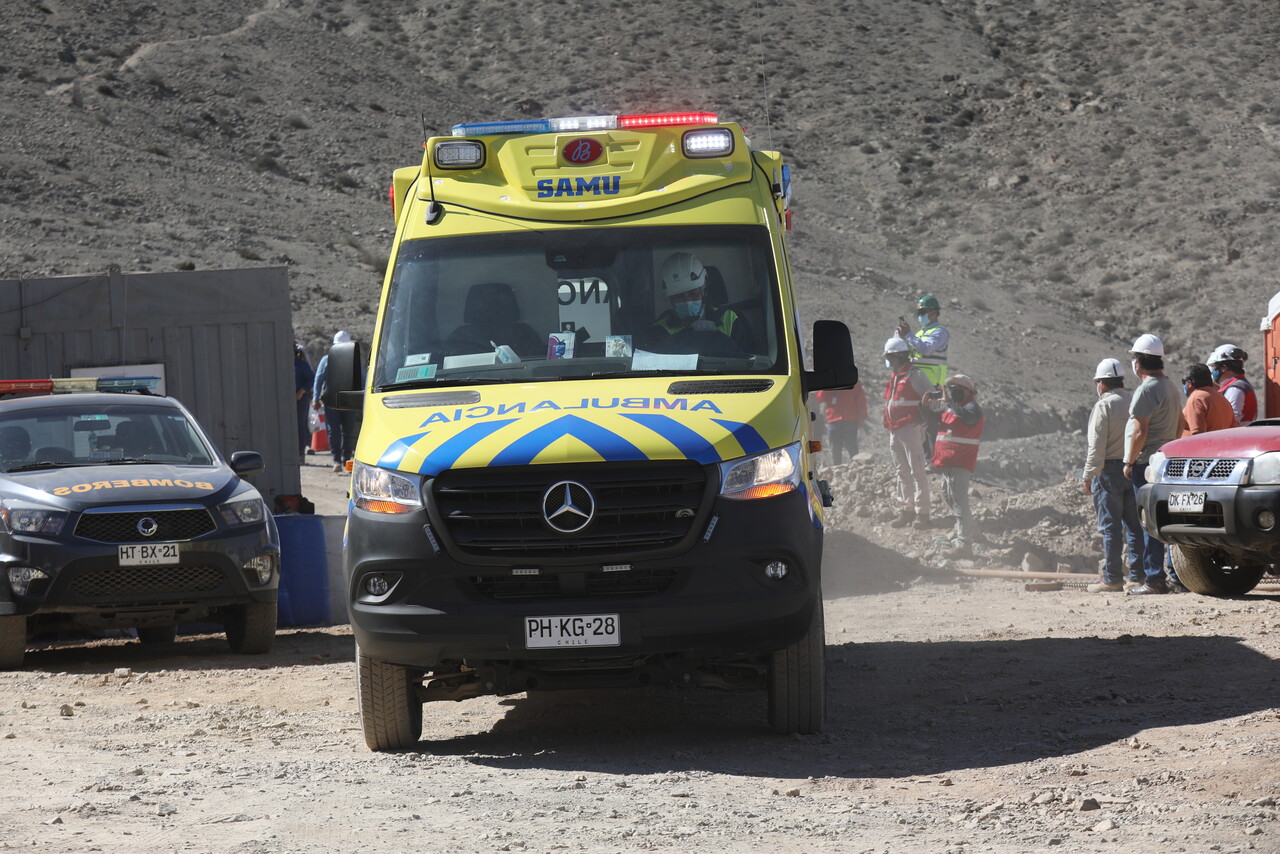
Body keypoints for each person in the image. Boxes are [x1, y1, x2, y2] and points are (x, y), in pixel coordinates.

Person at [1123, 333, 1186, 595]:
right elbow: (1181, 423)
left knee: (1148, 521)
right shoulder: (1170, 386)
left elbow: (1140, 431)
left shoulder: (1147, 390)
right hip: (1165, 461)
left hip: (1146, 463)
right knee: (1165, 521)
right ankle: (1176, 577)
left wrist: (1129, 461)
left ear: (1138, 362)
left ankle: (1153, 579)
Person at [1081, 358, 1145, 593]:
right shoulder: (1134, 401)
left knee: (1110, 528)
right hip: (1132, 468)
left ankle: (1112, 578)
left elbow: (1096, 445)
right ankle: (1137, 577)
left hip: (1108, 472)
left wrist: (1089, 474)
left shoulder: (1104, 406)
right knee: (1135, 526)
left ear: (1102, 383)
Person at [648, 251, 753, 355]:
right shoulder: (661, 329)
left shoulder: (731, 319)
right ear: (670, 298)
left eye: (693, 294)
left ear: (705, 287)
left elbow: (750, 361)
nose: (688, 302)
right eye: (679, 297)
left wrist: (715, 338)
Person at [929, 373, 983, 556]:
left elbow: (969, 419)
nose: (952, 392)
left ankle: (964, 545)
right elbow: (931, 418)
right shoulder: (953, 407)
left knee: (959, 501)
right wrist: (925, 405)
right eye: (951, 389)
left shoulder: (972, 407)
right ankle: (971, 530)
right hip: (948, 460)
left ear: (968, 391)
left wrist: (950, 401)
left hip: (961, 461)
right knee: (948, 495)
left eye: (956, 389)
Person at [882, 336, 933, 528]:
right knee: (901, 472)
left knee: (917, 470)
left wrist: (924, 418)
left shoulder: (915, 375)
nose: (888, 361)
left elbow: (932, 398)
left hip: (910, 428)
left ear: (898, 357)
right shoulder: (895, 376)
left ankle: (923, 513)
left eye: (889, 357)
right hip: (894, 429)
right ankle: (907, 510)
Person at [314, 331, 361, 473]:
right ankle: (337, 460)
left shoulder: (353, 360)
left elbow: (362, 378)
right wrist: (316, 398)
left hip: (348, 401)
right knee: (336, 431)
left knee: (345, 432)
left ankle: (346, 461)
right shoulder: (327, 360)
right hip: (334, 402)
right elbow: (319, 379)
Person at [896, 294, 949, 387]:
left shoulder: (940, 332)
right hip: (915, 383)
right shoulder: (919, 333)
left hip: (932, 385)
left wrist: (908, 334)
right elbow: (911, 354)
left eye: (922, 312)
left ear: (934, 313)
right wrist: (903, 338)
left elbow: (926, 349)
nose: (920, 315)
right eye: (918, 313)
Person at [1179, 362, 1238, 437]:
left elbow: (1198, 435)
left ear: (1189, 383)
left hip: (1202, 444)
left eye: (1183, 382)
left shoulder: (1196, 399)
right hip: (1222, 443)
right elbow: (1233, 428)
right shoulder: (1221, 398)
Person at [815, 383, 868, 465]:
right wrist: (827, 383)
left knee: (852, 448)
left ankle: (857, 468)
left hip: (849, 420)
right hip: (834, 420)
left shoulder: (853, 382)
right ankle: (837, 469)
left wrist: (861, 424)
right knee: (835, 449)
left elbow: (861, 403)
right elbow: (820, 398)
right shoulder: (829, 381)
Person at [1207, 344, 1256, 426]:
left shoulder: (1235, 389)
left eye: (1214, 366)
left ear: (1224, 368)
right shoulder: (1237, 385)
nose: (1212, 371)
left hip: (1237, 433)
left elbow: (1231, 419)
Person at [293, 342, 315, 462]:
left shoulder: (301, 365)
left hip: (299, 400)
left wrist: (301, 392)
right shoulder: (280, 364)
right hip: (285, 401)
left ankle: (300, 453)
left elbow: (311, 378)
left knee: (299, 425)